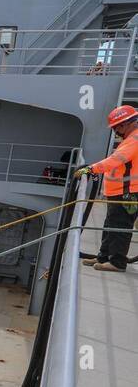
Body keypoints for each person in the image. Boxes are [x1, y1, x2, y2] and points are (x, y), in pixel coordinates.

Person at [78, 104, 138, 273]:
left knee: (120, 226)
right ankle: (103, 257)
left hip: (128, 194)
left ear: (125, 124)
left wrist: (90, 169)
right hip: (120, 193)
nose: (115, 132)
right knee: (110, 224)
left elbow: (114, 160)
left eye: (116, 128)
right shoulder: (131, 138)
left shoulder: (134, 140)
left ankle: (117, 262)